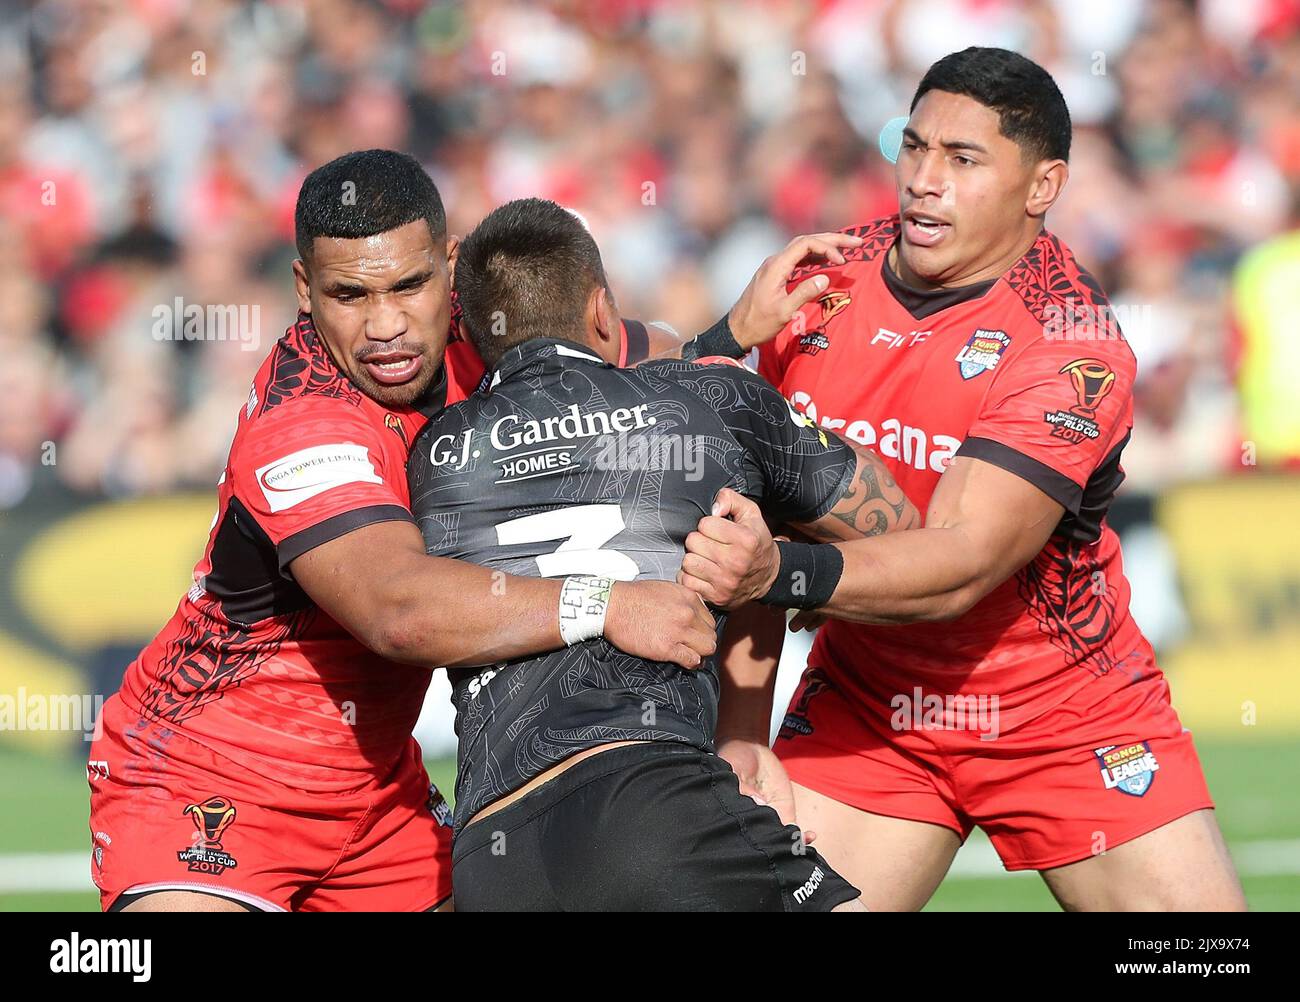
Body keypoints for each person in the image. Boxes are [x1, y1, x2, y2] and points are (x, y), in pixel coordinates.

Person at [87, 149, 854, 912]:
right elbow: (400, 609)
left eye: (409, 286)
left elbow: (628, 379)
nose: (385, 326)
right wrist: (608, 604)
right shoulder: (302, 421)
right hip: (209, 772)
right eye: (349, 295)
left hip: (381, 798)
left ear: (449, 267)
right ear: (304, 290)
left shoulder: (478, 329)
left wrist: (726, 338)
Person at [681, 48, 1246, 912]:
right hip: (872, 704)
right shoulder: (822, 281)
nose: (923, 181)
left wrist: (777, 573)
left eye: (963, 159)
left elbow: (962, 564)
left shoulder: (1070, 343)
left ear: (1042, 185)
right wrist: (741, 734)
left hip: (1059, 707)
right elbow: (733, 484)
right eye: (913, 148)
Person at [406, 198, 920, 911]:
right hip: (651, 799)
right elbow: (900, 533)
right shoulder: (709, 398)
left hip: (494, 853)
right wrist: (785, 564)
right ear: (601, 309)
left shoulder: (428, 451)